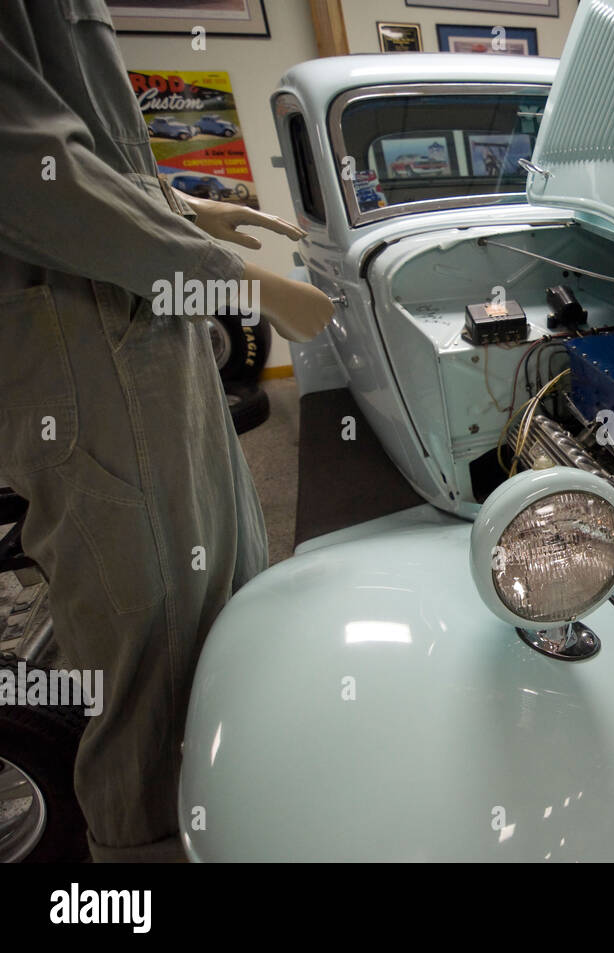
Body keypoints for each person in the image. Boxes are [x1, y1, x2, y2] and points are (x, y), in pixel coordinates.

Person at [0, 0, 333, 860]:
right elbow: (32, 169)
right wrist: (235, 276)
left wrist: (180, 208)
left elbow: (89, 143)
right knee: (146, 649)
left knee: (229, 585)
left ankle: (235, 805)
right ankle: (141, 864)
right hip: (83, 339)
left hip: (141, 323)